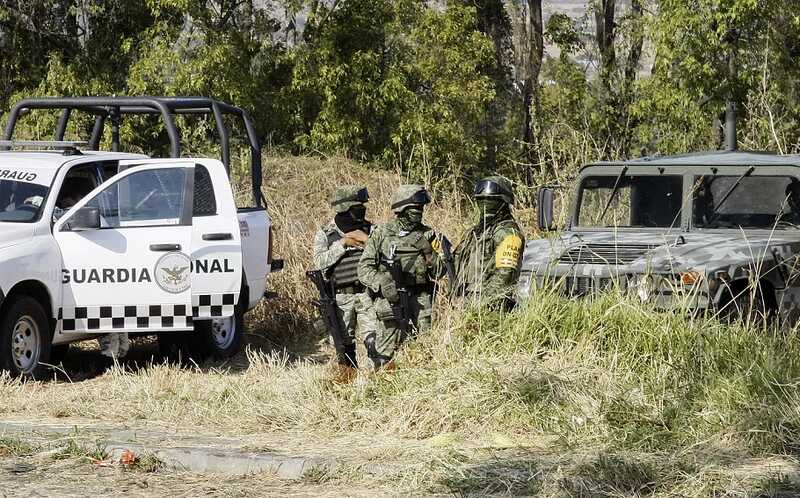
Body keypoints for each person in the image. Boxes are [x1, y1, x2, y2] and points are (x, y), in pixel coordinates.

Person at [358, 185, 445, 370]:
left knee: (425, 352)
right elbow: (364, 268)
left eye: (421, 209)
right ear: (402, 209)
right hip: (391, 301)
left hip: (422, 302)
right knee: (383, 357)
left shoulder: (428, 234)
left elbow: (441, 272)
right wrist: (380, 282)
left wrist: (429, 253)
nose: (419, 213)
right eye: (415, 209)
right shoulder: (382, 233)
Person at [312, 185, 375, 381]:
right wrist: (343, 244)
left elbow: (385, 254)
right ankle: (347, 383)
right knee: (343, 346)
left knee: (374, 340)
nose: (362, 209)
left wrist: (367, 241)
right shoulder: (327, 233)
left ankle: (381, 382)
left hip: (367, 294)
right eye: (358, 206)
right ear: (345, 208)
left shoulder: (371, 229)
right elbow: (319, 263)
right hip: (341, 297)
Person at [452, 176, 524, 310]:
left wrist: (480, 306)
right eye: (481, 201)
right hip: (464, 303)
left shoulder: (509, 234)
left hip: (491, 309)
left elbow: (504, 275)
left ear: (503, 202)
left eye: (490, 201)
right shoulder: (474, 233)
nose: (485, 205)